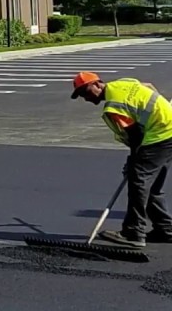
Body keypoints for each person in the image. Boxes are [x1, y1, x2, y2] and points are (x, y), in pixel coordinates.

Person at [71, 72, 172, 248]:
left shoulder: (113, 107)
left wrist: (134, 161)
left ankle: (133, 232)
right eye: (81, 95)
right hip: (168, 128)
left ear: (97, 84)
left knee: (138, 182)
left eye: (85, 92)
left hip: (159, 136)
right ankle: (165, 229)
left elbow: (135, 136)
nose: (85, 98)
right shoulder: (124, 83)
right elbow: (148, 86)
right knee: (152, 186)